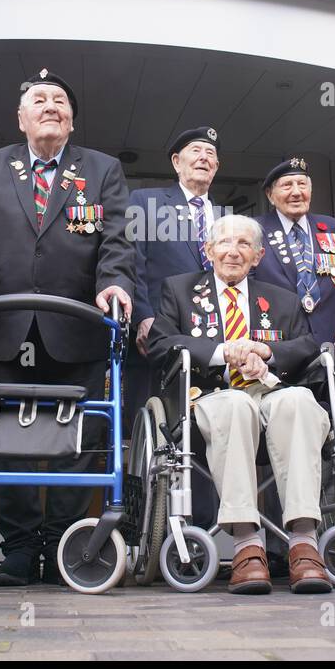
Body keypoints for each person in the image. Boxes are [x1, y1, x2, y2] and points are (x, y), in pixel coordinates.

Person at [0, 68, 134, 587]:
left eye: (59, 100)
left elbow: (116, 240)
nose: (50, 105)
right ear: (21, 118)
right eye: (39, 99)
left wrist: (114, 283)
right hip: (8, 324)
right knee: (8, 438)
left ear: (71, 120)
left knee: (81, 437)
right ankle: (20, 548)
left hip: (78, 326)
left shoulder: (101, 170)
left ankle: (63, 542)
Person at [148, 214, 332, 594]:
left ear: (258, 255)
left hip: (271, 398)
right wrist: (222, 352)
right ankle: (247, 545)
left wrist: (265, 350)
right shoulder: (179, 290)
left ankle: (304, 542)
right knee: (235, 405)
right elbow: (161, 344)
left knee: (298, 400)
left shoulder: (282, 298)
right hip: (210, 401)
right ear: (208, 251)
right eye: (225, 243)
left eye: (244, 244)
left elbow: (307, 346)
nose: (233, 251)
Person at [126, 126, 226, 524]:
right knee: (151, 440)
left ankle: (197, 530)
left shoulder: (226, 219)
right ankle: (144, 530)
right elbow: (131, 263)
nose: (204, 158)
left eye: (211, 155)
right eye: (195, 151)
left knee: (202, 438)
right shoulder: (146, 202)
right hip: (156, 342)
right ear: (176, 162)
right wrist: (143, 315)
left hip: (213, 352)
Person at [252, 158, 335, 349]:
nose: (296, 192)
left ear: (310, 191)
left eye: (302, 184)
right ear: (270, 195)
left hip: (332, 347)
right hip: (276, 348)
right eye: (287, 185)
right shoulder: (254, 230)